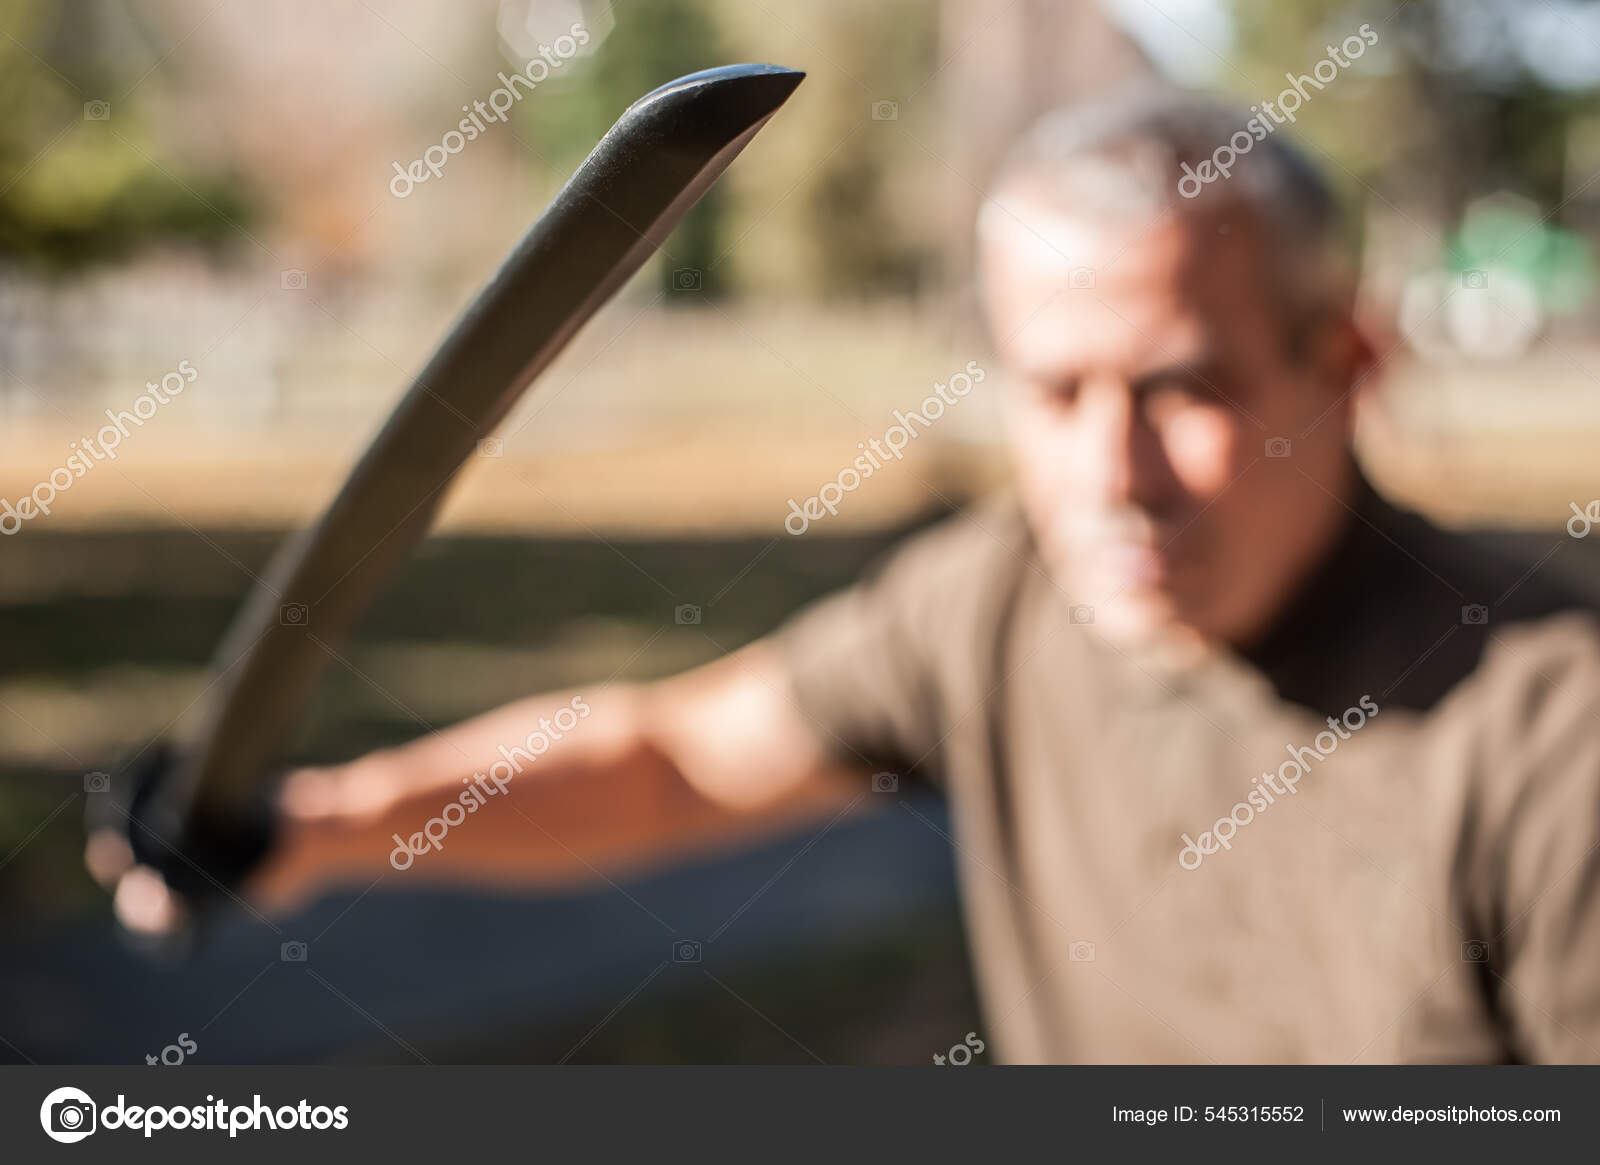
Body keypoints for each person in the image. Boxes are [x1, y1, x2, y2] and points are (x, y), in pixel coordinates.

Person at [90, 88, 1600, 1063]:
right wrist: (323, 824)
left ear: (1344, 362)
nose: (1111, 473)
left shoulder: (1554, 735)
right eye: (1053, 393)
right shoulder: (993, 602)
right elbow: (677, 757)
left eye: (1182, 390)